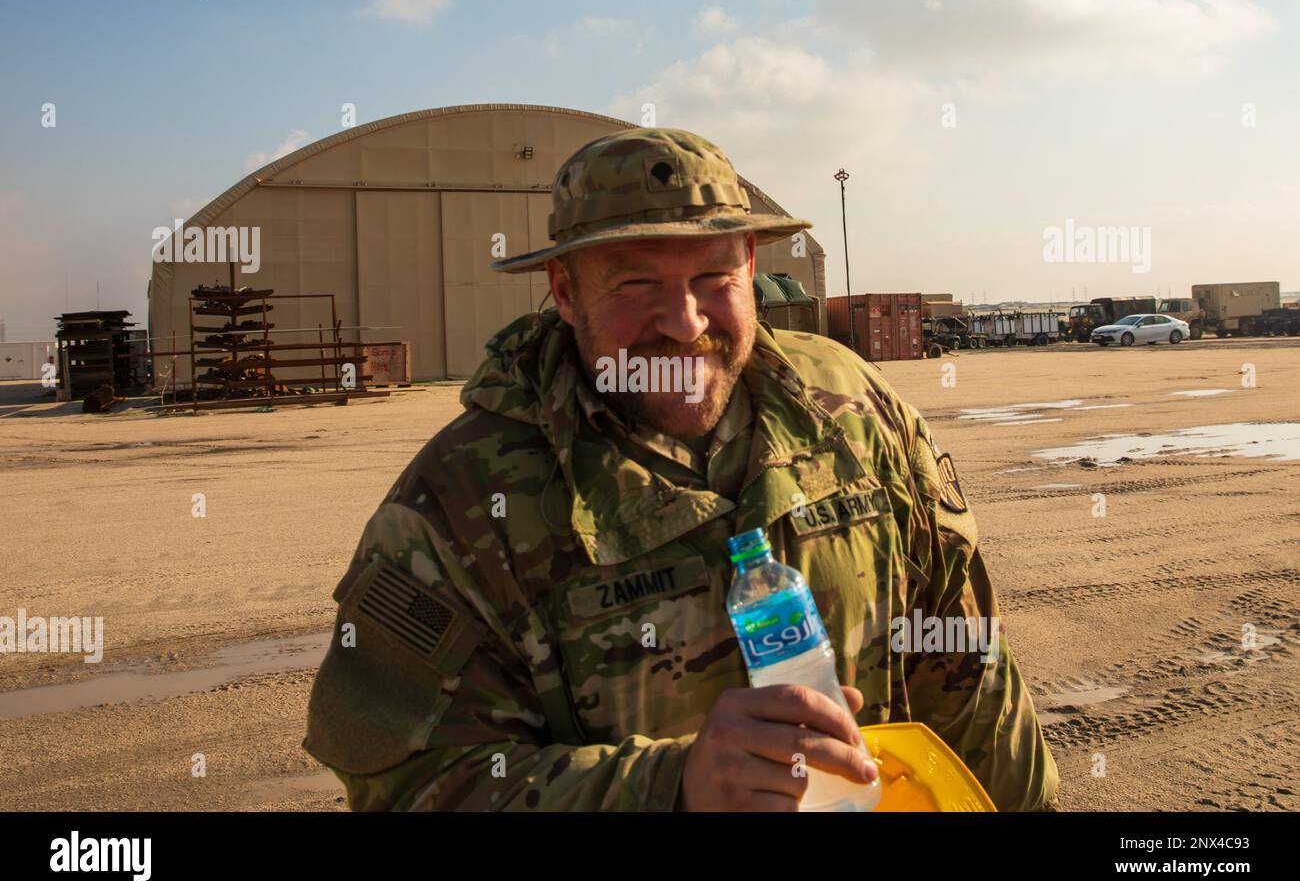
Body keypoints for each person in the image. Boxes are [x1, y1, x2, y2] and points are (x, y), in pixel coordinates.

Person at [303, 127, 1061, 811]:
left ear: (752, 265)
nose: (686, 324)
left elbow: (962, 660)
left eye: (712, 278)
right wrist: (672, 789)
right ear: (565, 291)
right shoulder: (460, 501)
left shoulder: (853, 409)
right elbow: (410, 785)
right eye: (637, 285)